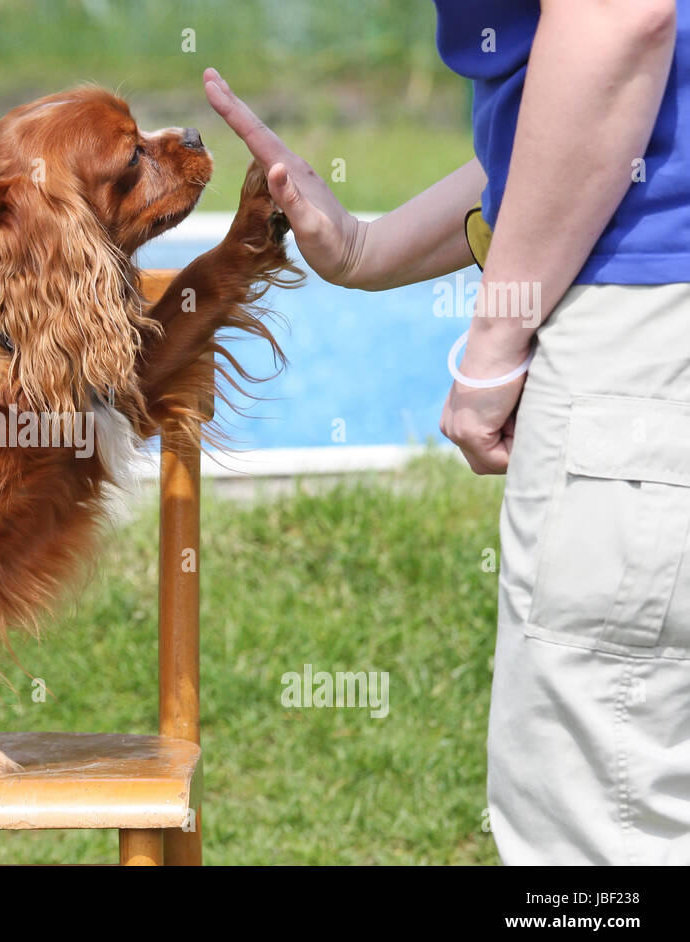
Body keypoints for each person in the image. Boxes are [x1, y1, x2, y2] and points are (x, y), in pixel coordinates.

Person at [204, 0, 688, 864]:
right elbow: (595, 108)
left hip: (641, 337)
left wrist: (496, 342)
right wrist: (369, 248)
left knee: (601, 832)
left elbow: (618, 22)